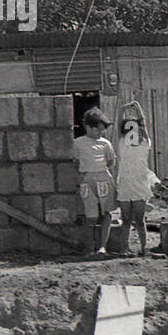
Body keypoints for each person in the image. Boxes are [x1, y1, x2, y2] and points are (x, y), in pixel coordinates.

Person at [114, 101, 156, 257]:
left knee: (140, 219)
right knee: (126, 219)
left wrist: (138, 108)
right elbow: (119, 126)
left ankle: (144, 248)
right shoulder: (122, 143)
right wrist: (122, 110)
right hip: (125, 184)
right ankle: (124, 249)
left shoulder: (145, 144)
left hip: (140, 184)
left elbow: (144, 124)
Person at [73, 107, 117, 256]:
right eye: (97, 129)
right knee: (91, 215)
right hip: (86, 179)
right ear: (88, 127)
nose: (100, 132)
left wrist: (105, 174)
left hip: (103, 178)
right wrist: (82, 175)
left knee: (106, 212)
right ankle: (90, 247)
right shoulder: (78, 143)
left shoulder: (105, 144)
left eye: (102, 130)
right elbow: (75, 162)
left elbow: (111, 162)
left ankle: (102, 247)